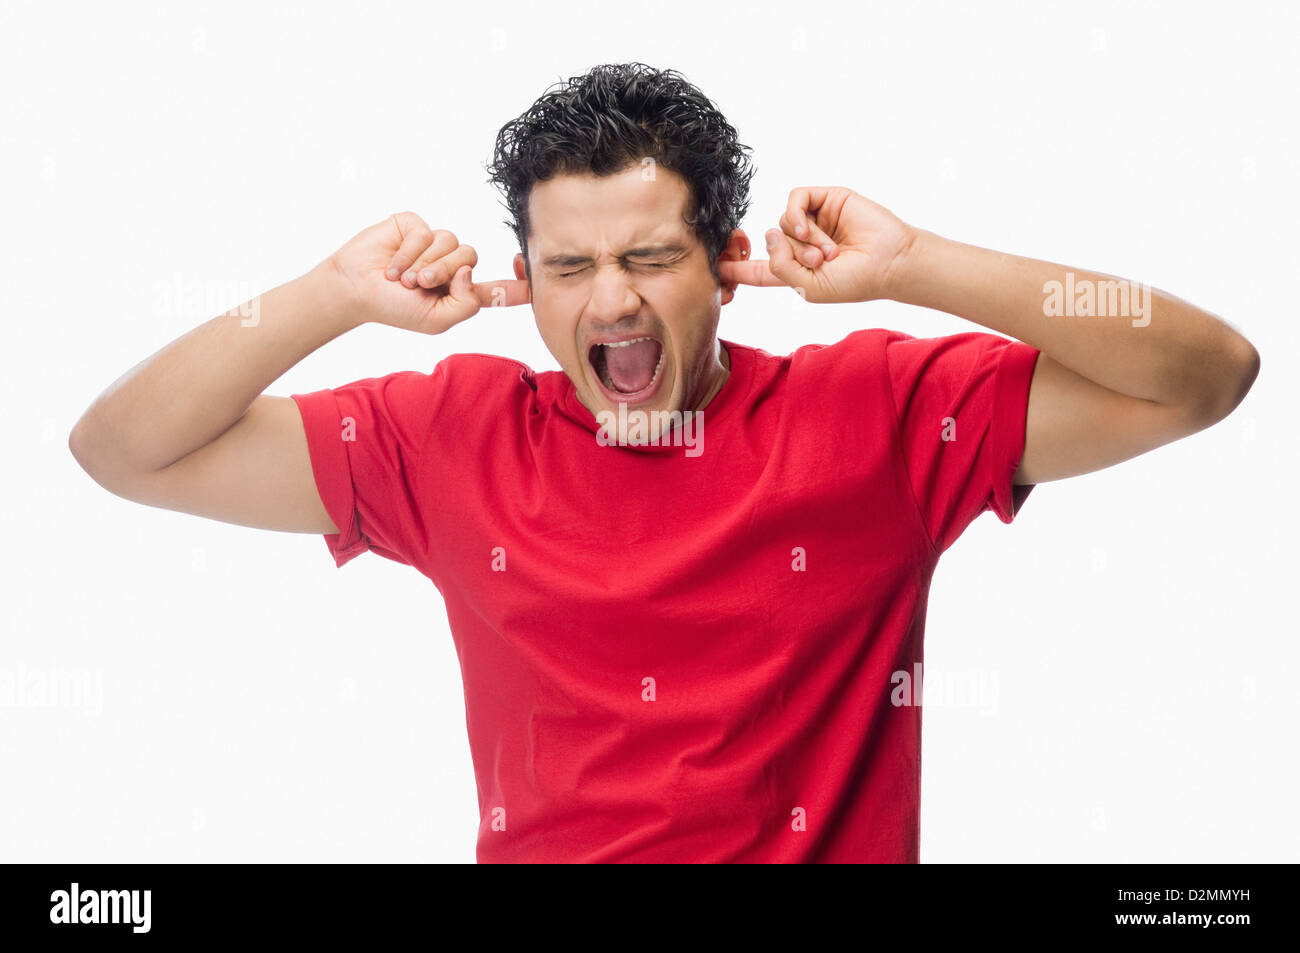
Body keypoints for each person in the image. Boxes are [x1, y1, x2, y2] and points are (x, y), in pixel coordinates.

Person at [69, 62, 1259, 863]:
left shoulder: (880, 414)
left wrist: (922, 263)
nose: (616, 299)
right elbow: (122, 450)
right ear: (523, 280)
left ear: (727, 260)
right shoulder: (449, 435)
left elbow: (1206, 373)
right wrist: (326, 295)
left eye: (649, 256)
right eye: (572, 268)